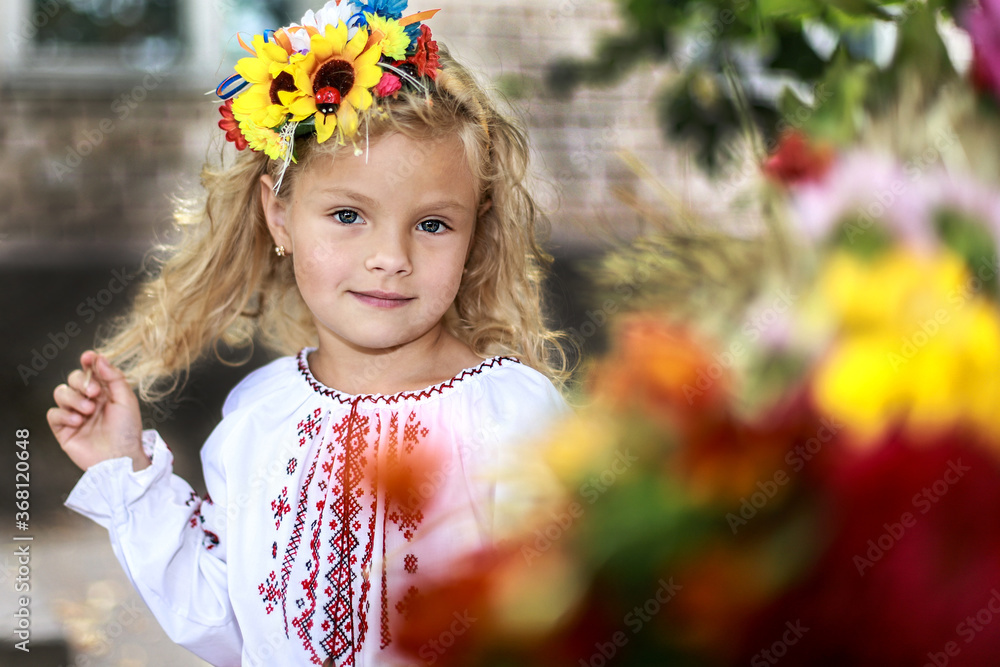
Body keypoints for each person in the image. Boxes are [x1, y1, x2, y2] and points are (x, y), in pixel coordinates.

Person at [47, 2, 571, 665]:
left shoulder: (512, 413)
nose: (391, 256)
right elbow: (222, 618)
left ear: (476, 231)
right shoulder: (258, 413)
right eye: (349, 214)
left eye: (433, 224)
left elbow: (561, 623)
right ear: (281, 216)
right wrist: (125, 465)